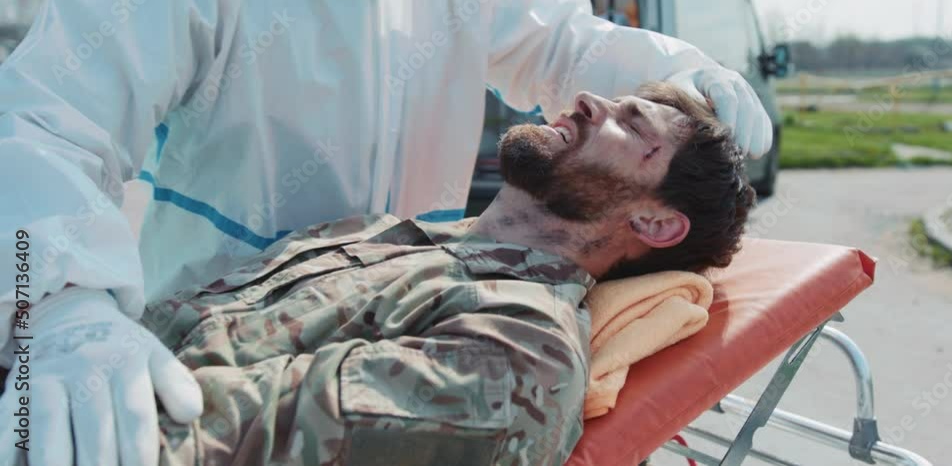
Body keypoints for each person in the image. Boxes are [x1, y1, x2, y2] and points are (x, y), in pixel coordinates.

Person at [0, 0, 771, 463]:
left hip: (390, 319)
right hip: (171, 327)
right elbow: (42, 126)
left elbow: (571, 51)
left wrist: (678, 72)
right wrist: (60, 305)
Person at [144, 81, 752, 465]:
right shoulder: (379, 230)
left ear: (654, 223)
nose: (589, 100)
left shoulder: (520, 348)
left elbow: (220, 442)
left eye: (632, 125)